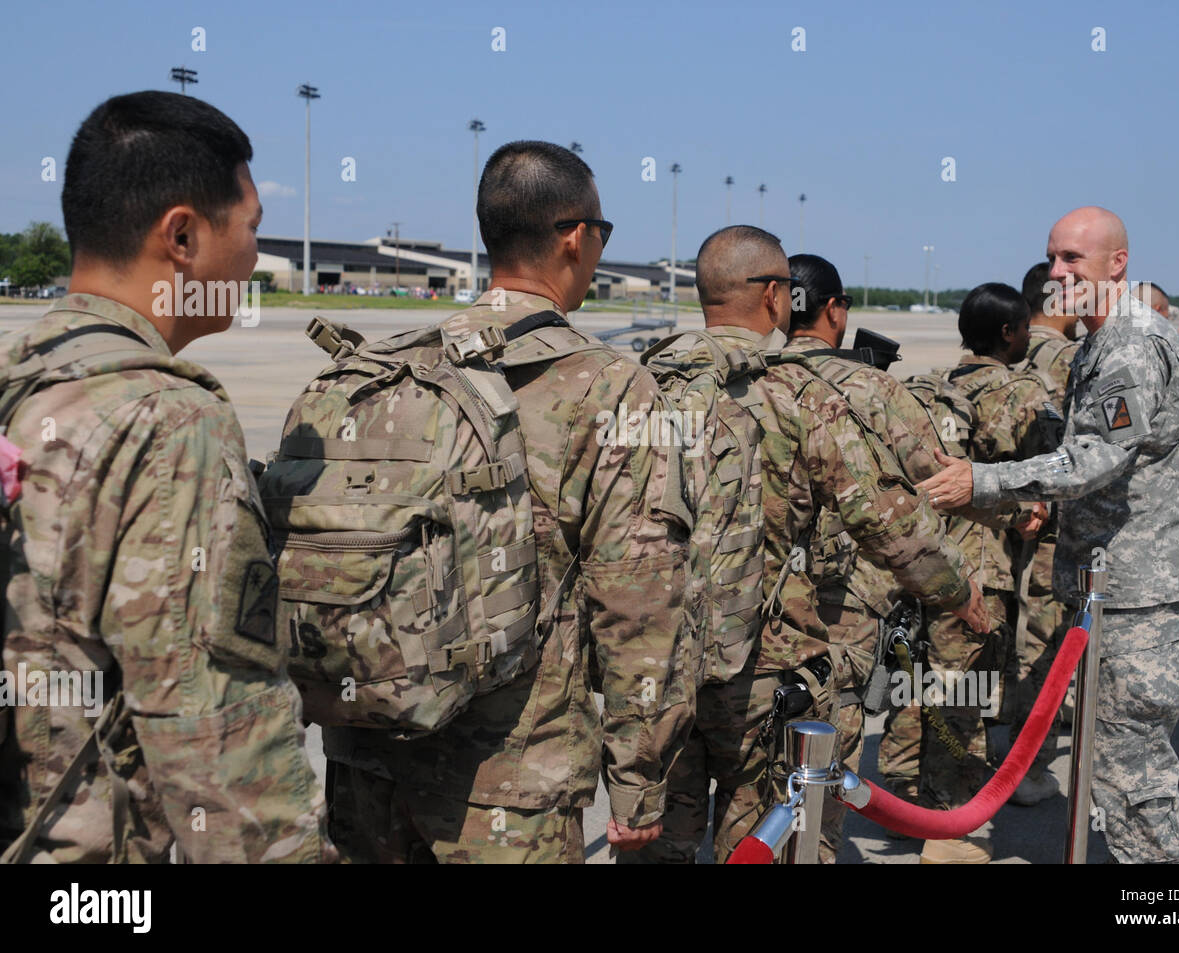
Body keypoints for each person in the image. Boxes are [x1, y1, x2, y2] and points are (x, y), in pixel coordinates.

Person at [322, 141, 695, 863]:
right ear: (575, 237)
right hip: (513, 785)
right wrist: (639, 780)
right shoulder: (611, 385)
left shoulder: (385, 365)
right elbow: (641, 601)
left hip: (364, 762)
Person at [0, 91, 333, 863]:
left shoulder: (24, 381)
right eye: (250, 227)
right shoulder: (170, 421)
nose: (254, 254)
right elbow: (212, 730)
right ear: (182, 235)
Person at [623, 226, 988, 864]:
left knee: (662, 841)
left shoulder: (629, 388)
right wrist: (958, 594)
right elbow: (887, 523)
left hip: (650, 663)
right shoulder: (796, 395)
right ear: (773, 297)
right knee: (771, 829)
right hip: (762, 662)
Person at [920, 206, 1179, 863]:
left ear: (1118, 262)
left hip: (1147, 590)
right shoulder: (1101, 337)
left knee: (1130, 760)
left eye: (1073, 259)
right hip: (1122, 583)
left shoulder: (1130, 343)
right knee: (1116, 754)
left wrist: (983, 482)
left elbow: (1095, 458)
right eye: (1052, 257)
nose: (1057, 272)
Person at [782, 253, 991, 861]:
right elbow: (931, 481)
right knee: (824, 754)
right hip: (843, 605)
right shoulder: (869, 387)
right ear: (835, 308)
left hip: (754, 607)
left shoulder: (752, 377)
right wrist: (1004, 518)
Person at [909, 283, 1060, 863]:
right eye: (1023, 329)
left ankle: (920, 799)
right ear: (1008, 333)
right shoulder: (1023, 392)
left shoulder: (934, 388)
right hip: (984, 562)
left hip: (926, 556)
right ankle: (951, 823)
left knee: (930, 682)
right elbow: (1051, 478)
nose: (1028, 337)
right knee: (964, 689)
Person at [1007, 262, 1079, 791]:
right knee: (1043, 637)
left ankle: (1002, 735)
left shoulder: (1002, 350)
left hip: (996, 517)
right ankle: (1025, 766)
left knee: (1008, 628)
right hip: (1052, 519)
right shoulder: (1074, 360)